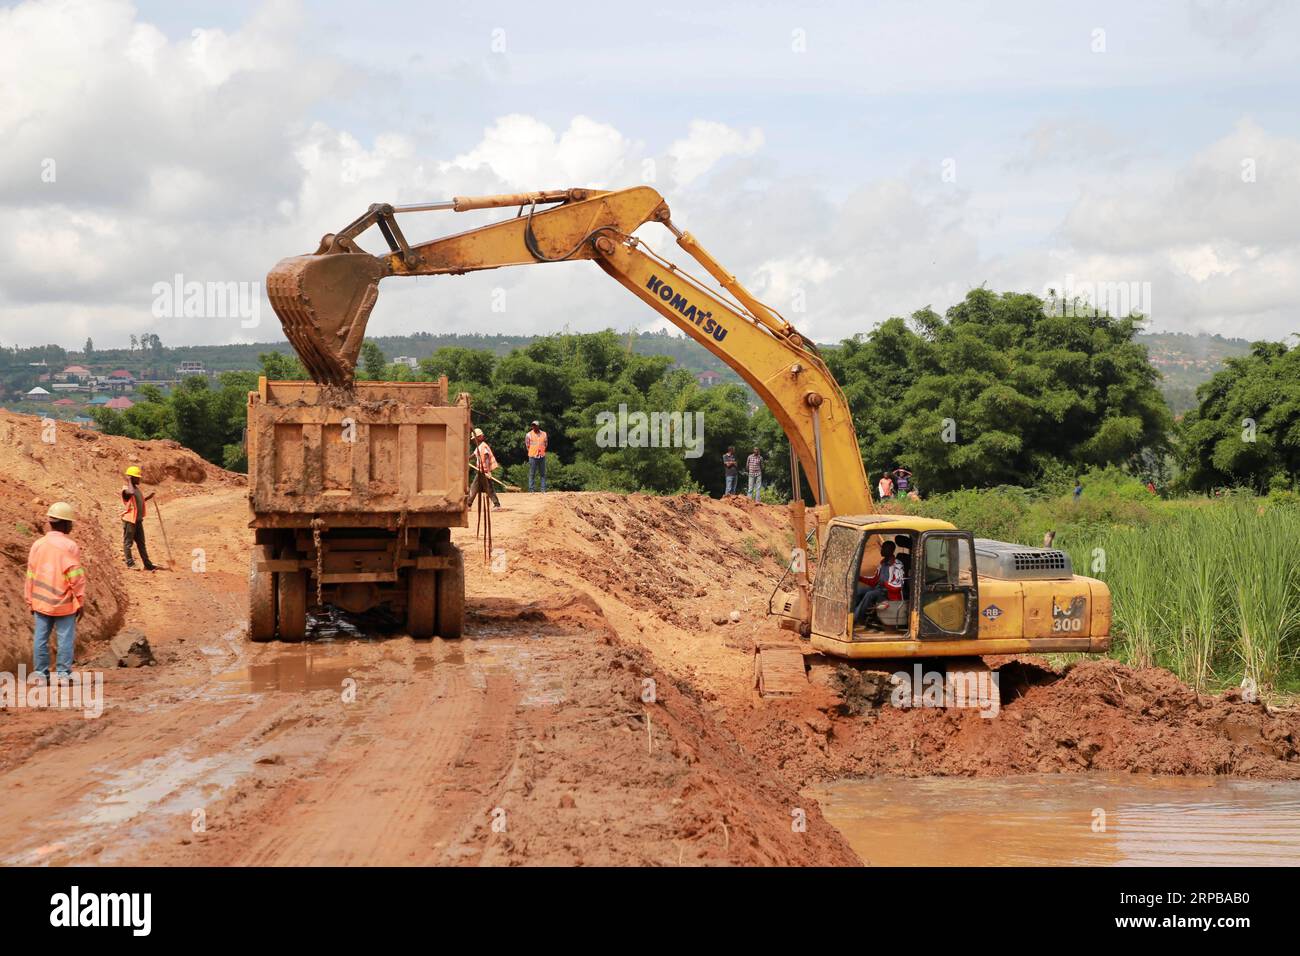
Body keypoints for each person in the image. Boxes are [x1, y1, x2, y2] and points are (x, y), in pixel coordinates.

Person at [26, 502, 86, 681]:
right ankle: (62, 674)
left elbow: (30, 574)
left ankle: (40, 675)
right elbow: (76, 577)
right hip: (64, 602)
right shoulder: (70, 546)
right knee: (65, 639)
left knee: (40, 638)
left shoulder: (37, 545)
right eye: (71, 523)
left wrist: (30, 599)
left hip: (40, 601)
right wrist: (80, 601)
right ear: (66, 524)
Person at [854, 540, 904, 626]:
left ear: (890, 550)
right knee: (858, 590)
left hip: (888, 592)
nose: (881, 550)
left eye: (883, 548)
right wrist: (859, 578)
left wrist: (884, 584)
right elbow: (874, 580)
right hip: (879, 588)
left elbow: (898, 585)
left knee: (870, 594)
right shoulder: (882, 563)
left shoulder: (898, 565)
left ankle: (855, 618)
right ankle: (854, 613)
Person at [120, 465, 158, 571]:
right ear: (131, 478)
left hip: (137, 520)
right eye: (137, 477)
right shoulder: (126, 490)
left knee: (141, 543)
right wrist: (129, 481)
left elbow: (137, 502)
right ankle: (130, 563)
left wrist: (148, 498)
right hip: (130, 521)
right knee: (128, 543)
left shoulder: (136, 489)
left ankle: (147, 564)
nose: (139, 479)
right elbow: (130, 493)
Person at [468, 428, 502, 509]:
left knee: (489, 488)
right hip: (480, 471)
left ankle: (497, 505)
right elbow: (474, 454)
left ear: (479, 438)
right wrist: (467, 459)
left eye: (474, 439)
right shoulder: (479, 447)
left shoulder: (483, 447)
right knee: (474, 487)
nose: (473, 441)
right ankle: (468, 504)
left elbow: (486, 458)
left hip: (485, 471)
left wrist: (488, 471)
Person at [525, 420, 548, 493]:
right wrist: (532, 451)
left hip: (542, 455)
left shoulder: (544, 434)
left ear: (538, 426)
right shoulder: (528, 434)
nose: (534, 427)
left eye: (535, 425)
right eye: (533, 425)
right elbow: (527, 445)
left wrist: (542, 450)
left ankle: (543, 489)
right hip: (532, 455)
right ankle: (531, 490)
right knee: (532, 473)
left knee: (543, 473)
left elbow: (546, 443)